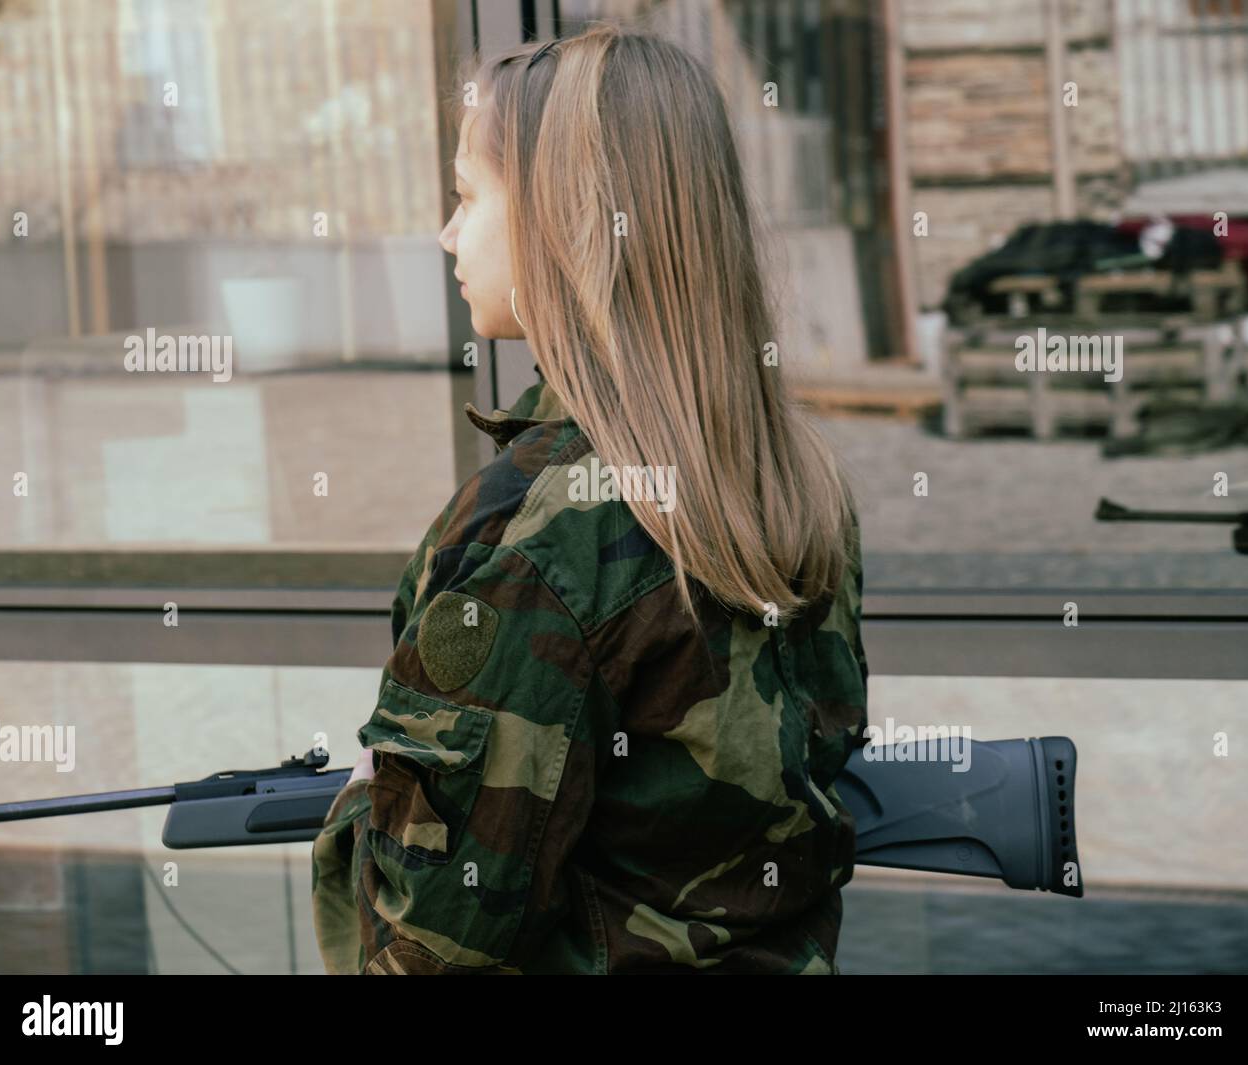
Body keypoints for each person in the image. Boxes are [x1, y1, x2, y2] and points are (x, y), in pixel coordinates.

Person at [310, 23, 868, 975]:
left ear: (564, 220)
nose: (448, 233)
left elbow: (427, 950)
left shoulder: (531, 533)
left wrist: (364, 804)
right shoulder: (794, 479)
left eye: (467, 197)